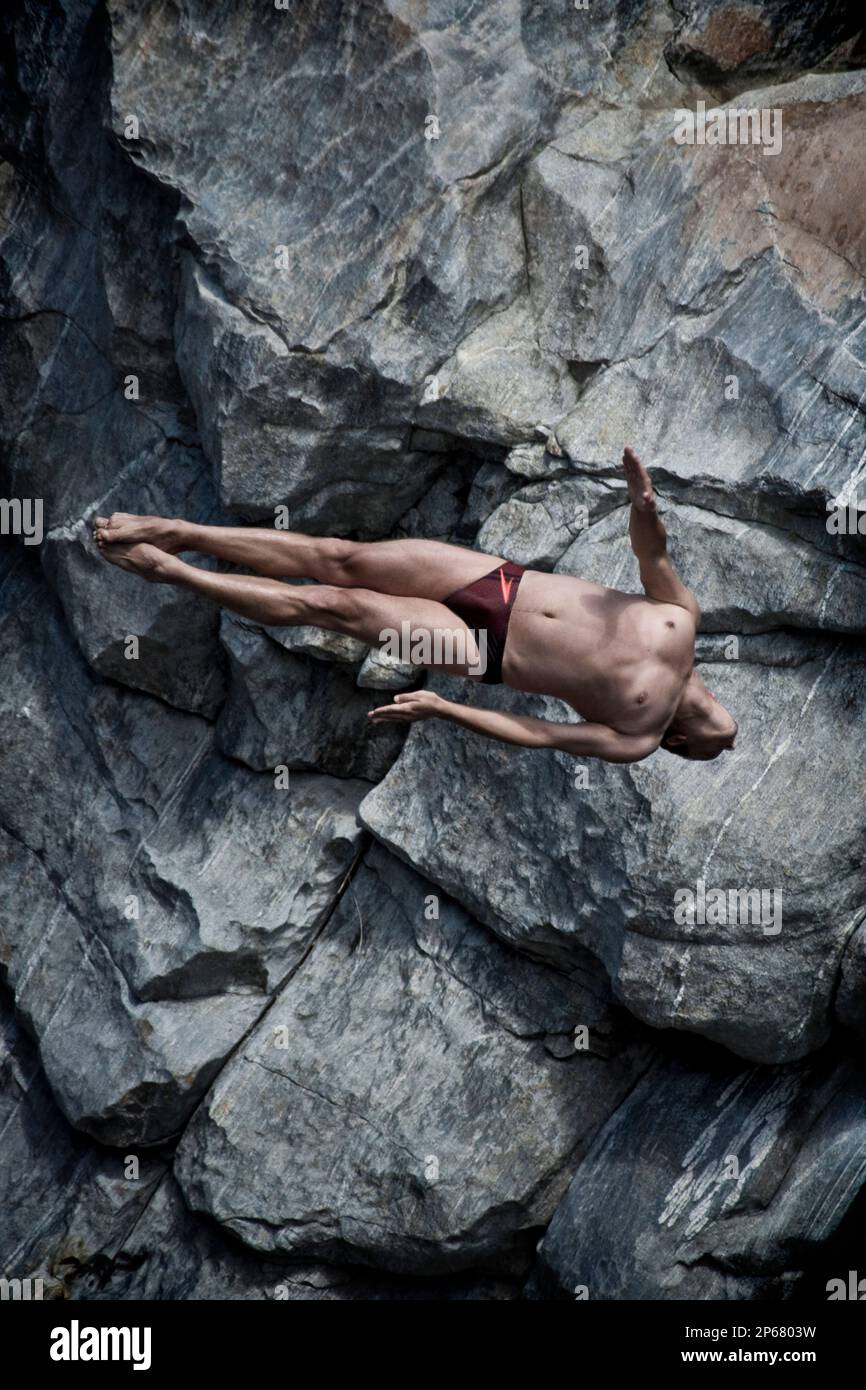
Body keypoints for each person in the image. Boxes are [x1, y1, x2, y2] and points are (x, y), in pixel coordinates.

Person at [93, 447, 737, 763]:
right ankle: (179, 531)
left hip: (479, 650)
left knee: (334, 607)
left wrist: (444, 707)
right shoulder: (684, 618)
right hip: (501, 583)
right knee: (338, 556)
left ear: (683, 740)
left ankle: (173, 571)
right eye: (725, 726)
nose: (724, 727)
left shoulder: (640, 738)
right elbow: (652, 557)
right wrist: (643, 507)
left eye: (714, 740)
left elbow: (539, 733)